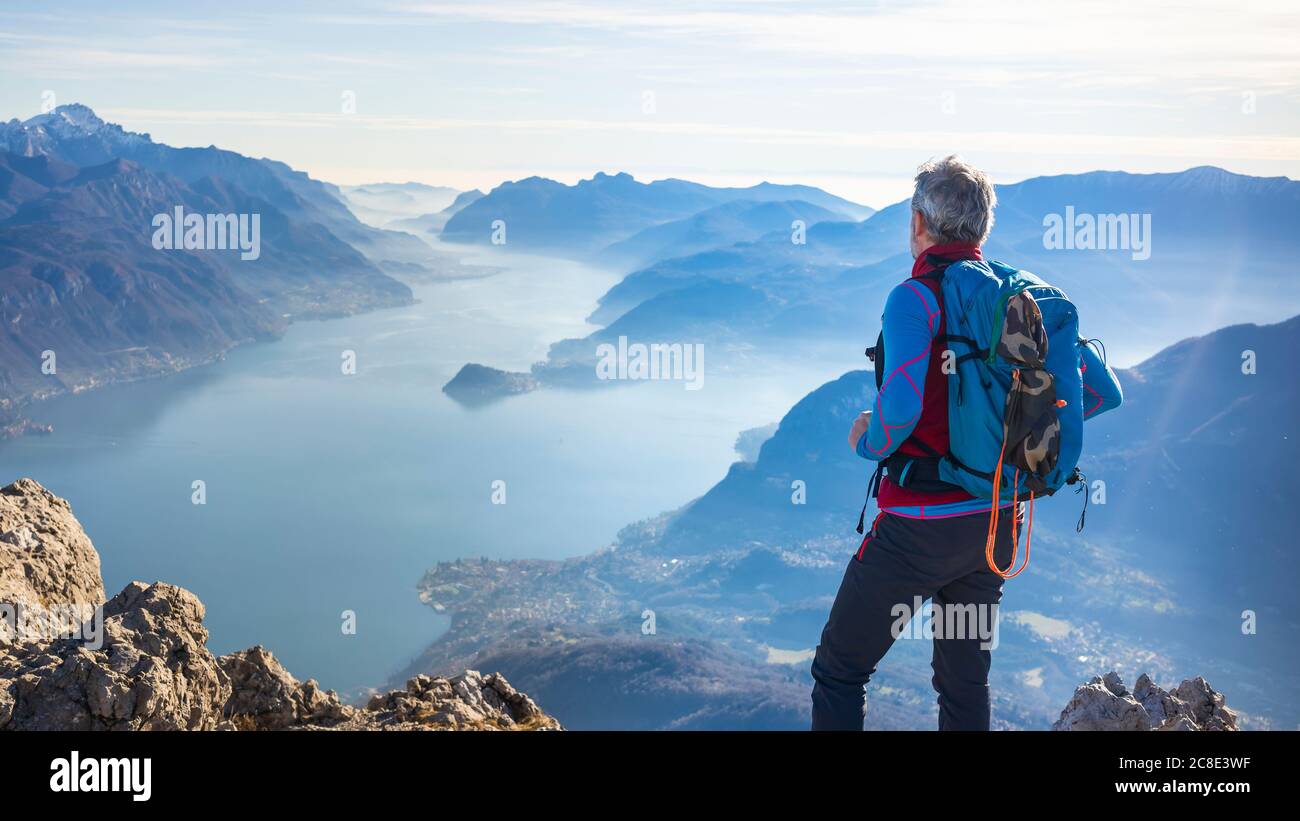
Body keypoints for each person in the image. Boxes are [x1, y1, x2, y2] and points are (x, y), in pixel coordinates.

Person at [810, 156, 1122, 731]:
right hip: (998, 523)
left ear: (917, 222)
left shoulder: (914, 297)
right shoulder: (1019, 297)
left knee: (839, 668)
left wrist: (867, 440)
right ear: (982, 227)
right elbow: (1101, 394)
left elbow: (900, 408)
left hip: (919, 528)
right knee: (962, 683)